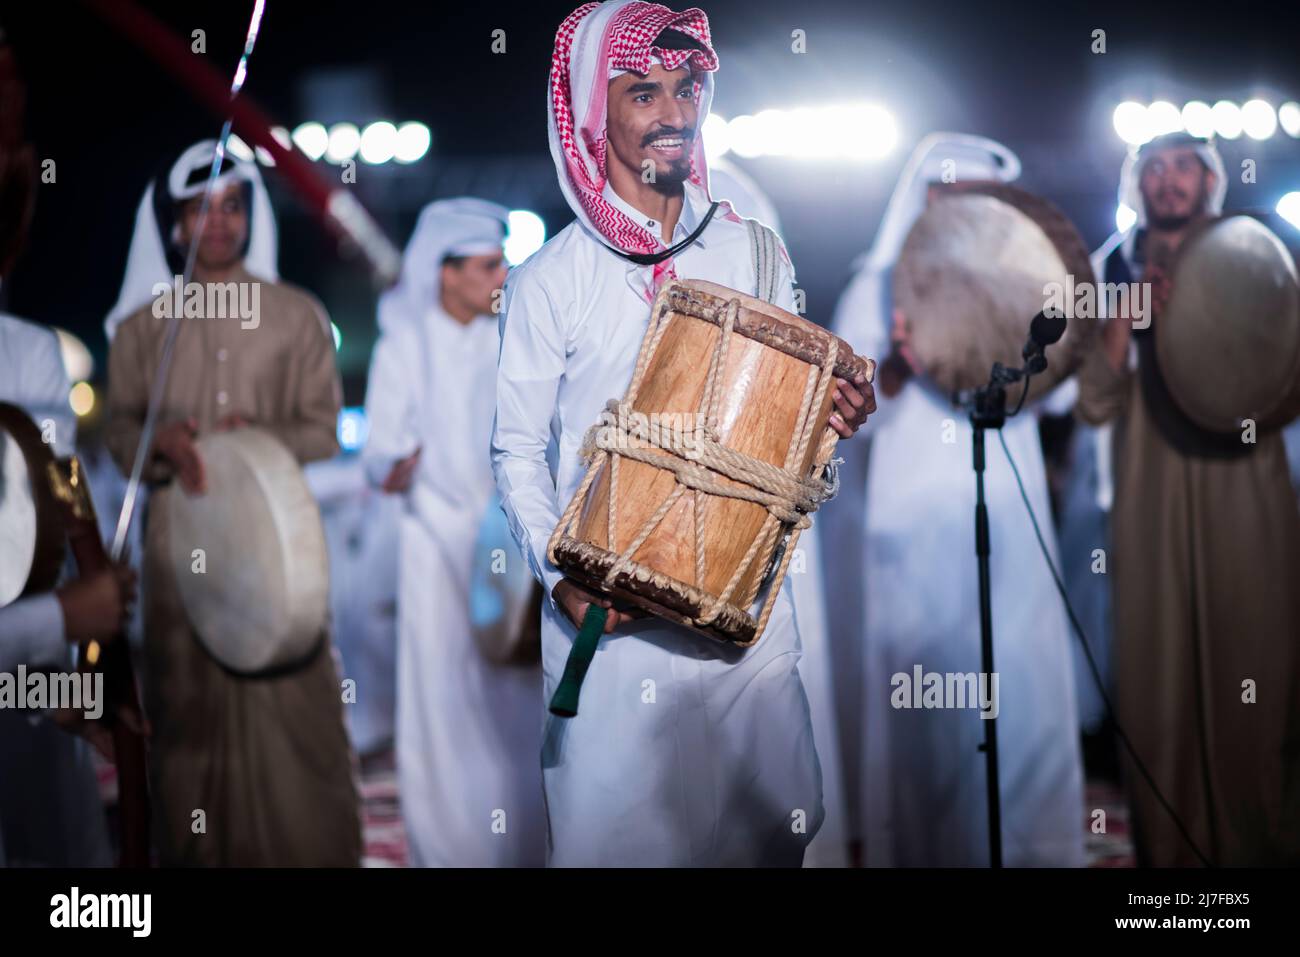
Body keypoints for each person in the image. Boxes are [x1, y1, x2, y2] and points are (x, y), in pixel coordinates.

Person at [491, 0, 871, 867]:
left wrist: (837, 416)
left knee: (771, 836)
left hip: (746, 624)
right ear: (594, 110)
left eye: (686, 87)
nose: (673, 112)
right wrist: (561, 579)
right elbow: (515, 452)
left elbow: (792, 434)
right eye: (643, 93)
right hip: (614, 627)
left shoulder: (754, 251)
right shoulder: (552, 278)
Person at [827, 132, 1084, 866]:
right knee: (924, 697)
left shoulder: (1025, 277)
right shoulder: (873, 285)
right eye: (949, 194)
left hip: (1009, 508)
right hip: (911, 521)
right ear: (925, 199)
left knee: (1021, 682)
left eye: (978, 196)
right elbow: (842, 414)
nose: (961, 208)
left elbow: (1060, 394)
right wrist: (904, 366)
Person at [104, 140, 362, 866]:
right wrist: (165, 443)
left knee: (298, 718)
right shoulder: (140, 329)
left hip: (277, 552)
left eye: (232, 206)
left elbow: (321, 429)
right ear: (176, 223)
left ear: (249, 215)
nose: (218, 222)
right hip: (175, 553)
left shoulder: (297, 315)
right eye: (200, 209)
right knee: (186, 723)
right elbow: (119, 432)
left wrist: (262, 438)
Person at [1076, 131, 1300, 866]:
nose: (1168, 182)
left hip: (1245, 489)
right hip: (1149, 496)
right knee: (1157, 683)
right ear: (1136, 183)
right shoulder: (1112, 266)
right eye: (1154, 169)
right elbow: (1094, 405)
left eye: (1184, 168)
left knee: (1256, 673)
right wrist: (1128, 319)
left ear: (1211, 179)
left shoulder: (1259, 248)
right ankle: (1171, 871)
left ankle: (1258, 851)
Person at [363, 198, 545, 867]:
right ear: (445, 273)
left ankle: (521, 844)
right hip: (432, 546)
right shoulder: (402, 343)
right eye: (488, 265)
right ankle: (452, 848)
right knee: (443, 699)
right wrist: (394, 463)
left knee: (515, 696)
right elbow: (379, 449)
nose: (503, 275)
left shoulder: (510, 335)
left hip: (505, 546)